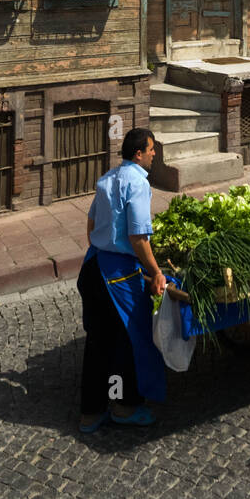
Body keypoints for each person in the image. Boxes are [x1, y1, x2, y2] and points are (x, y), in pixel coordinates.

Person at [77, 127, 169, 433]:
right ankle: (124, 407)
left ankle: (91, 412)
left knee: (97, 343)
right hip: (116, 278)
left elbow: (90, 226)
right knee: (129, 341)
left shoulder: (108, 179)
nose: (155, 154)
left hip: (92, 270)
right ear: (138, 154)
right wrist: (156, 271)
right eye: (152, 149)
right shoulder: (138, 184)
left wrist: (105, 243)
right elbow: (139, 237)